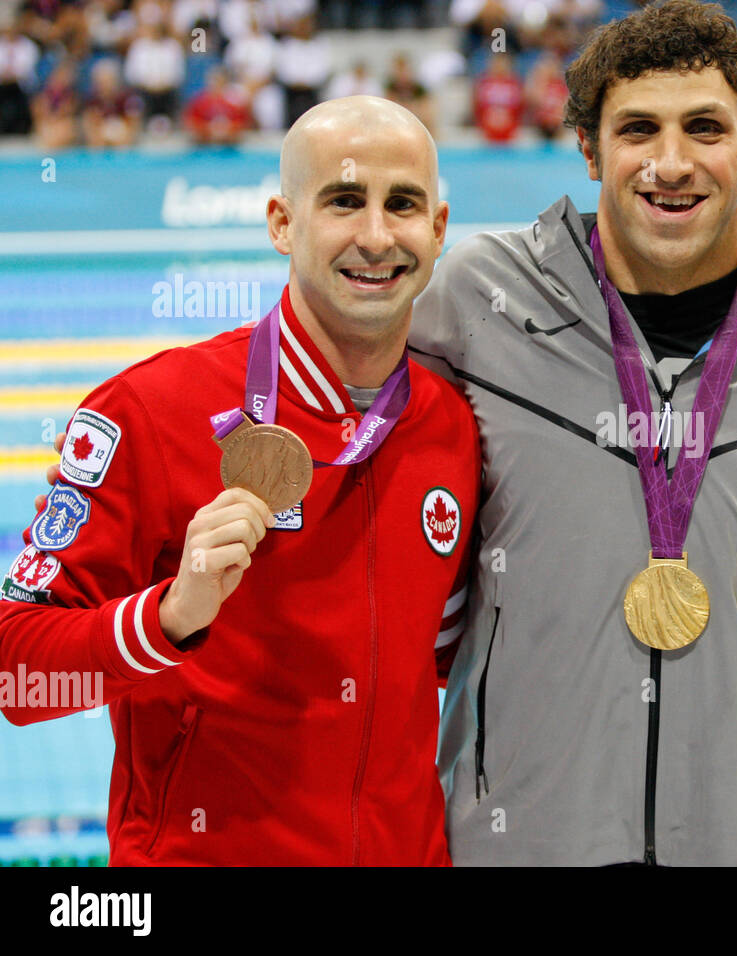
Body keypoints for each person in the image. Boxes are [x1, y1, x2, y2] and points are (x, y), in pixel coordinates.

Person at [408, 0, 737, 866]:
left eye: (706, 129)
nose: (671, 164)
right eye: (638, 129)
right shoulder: (478, 304)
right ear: (589, 147)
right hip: (523, 837)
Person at [0, 97, 480, 865]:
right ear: (282, 223)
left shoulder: (453, 427)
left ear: (439, 228)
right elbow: (16, 677)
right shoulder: (150, 412)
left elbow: (452, 656)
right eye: (345, 202)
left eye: (403, 205)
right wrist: (170, 617)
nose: (377, 236)